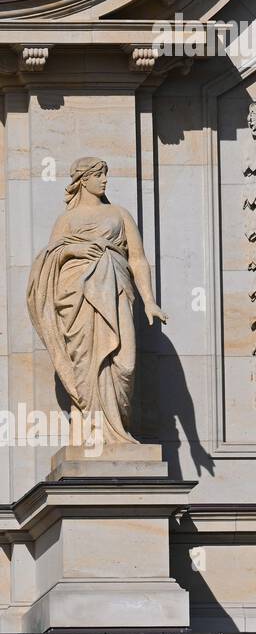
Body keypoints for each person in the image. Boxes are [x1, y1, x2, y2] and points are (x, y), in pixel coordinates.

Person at [26, 157, 168, 445]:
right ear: (83, 180)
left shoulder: (119, 214)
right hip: (77, 299)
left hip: (116, 293)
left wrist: (150, 301)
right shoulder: (66, 220)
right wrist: (77, 249)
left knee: (124, 364)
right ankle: (94, 434)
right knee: (86, 362)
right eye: (99, 175)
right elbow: (50, 257)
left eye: (105, 175)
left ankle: (118, 430)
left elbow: (138, 259)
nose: (104, 181)